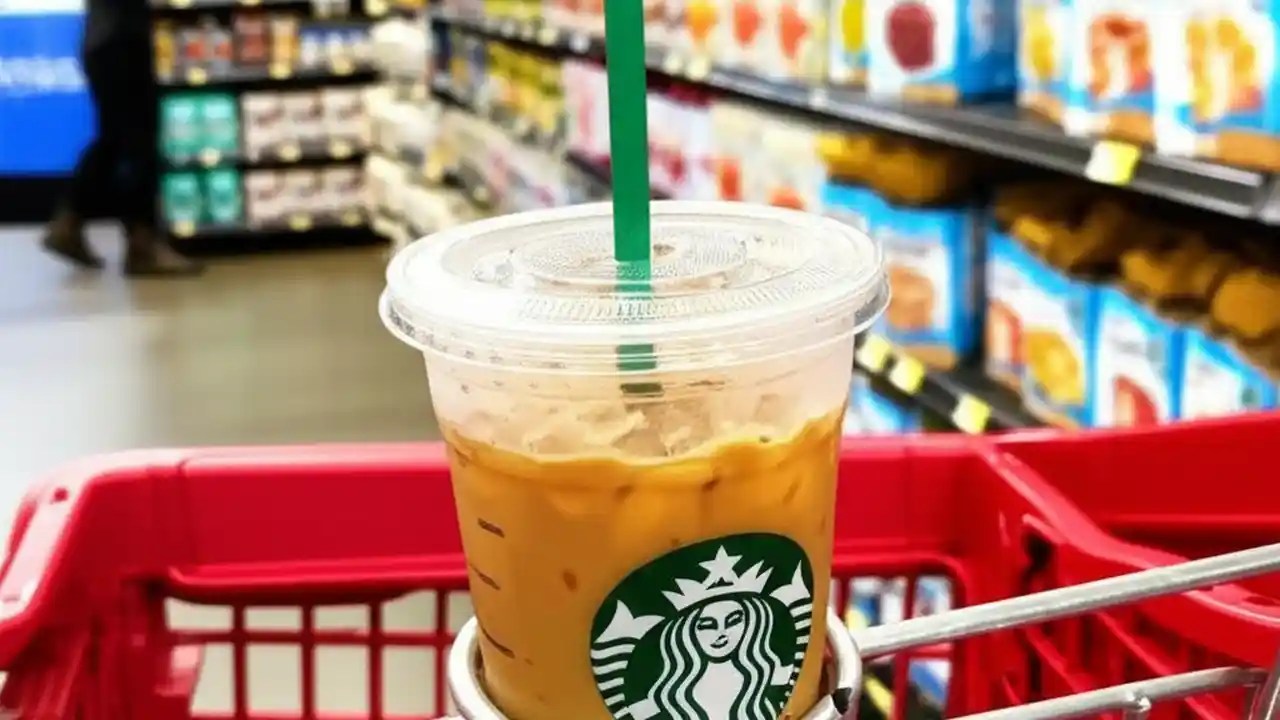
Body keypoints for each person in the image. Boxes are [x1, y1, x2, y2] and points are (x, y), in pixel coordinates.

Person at [42, 0, 202, 276]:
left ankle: (69, 222)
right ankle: (142, 245)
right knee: (139, 140)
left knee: (115, 138)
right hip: (121, 40)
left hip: (104, 40)